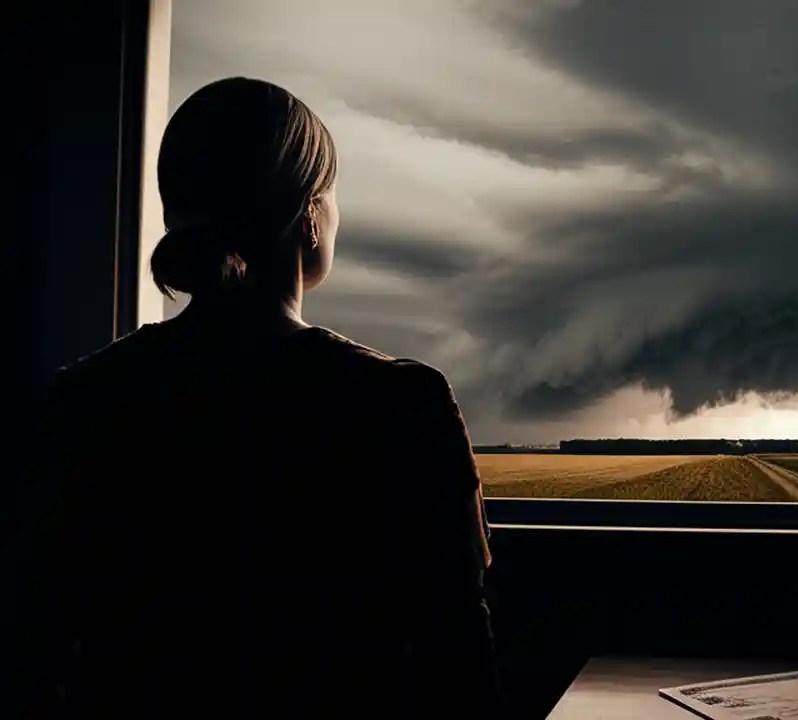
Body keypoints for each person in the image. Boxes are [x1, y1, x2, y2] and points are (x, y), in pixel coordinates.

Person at [7, 77, 500, 719]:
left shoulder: (83, 398)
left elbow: (29, 651)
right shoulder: (404, 405)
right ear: (311, 217)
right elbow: (459, 664)